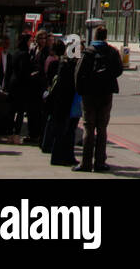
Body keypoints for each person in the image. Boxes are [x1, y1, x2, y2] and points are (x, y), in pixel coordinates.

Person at [74, 24, 122, 173]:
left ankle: (86, 163)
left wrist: (80, 90)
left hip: (89, 94)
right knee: (102, 129)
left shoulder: (88, 52)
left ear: (95, 36)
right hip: (106, 94)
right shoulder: (112, 52)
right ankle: (100, 162)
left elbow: (78, 73)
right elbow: (119, 70)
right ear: (106, 36)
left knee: (88, 128)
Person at [47, 36, 84, 167]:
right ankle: (60, 157)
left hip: (67, 103)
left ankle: (66, 156)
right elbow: (68, 85)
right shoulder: (68, 65)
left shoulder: (66, 63)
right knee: (64, 131)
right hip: (65, 103)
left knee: (68, 131)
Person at [40, 39, 66, 152]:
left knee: (49, 120)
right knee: (54, 121)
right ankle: (47, 144)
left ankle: (45, 143)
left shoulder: (52, 62)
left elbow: (48, 77)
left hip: (50, 92)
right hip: (56, 95)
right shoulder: (59, 63)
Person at [25, 30, 51, 144]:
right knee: (31, 110)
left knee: (39, 111)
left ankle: (38, 135)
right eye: (40, 38)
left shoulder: (47, 52)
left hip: (41, 84)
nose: (43, 40)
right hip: (32, 85)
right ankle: (32, 134)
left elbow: (46, 69)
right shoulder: (33, 50)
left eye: (45, 38)